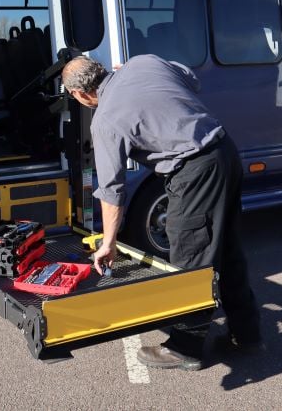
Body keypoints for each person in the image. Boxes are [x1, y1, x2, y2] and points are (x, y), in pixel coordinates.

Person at [61, 54, 261, 371]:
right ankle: (247, 334)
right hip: (225, 152)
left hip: (194, 170)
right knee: (227, 247)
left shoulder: (105, 120)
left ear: (82, 95)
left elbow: (112, 190)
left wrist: (108, 243)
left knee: (191, 256)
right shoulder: (143, 62)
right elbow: (192, 81)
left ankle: (186, 347)